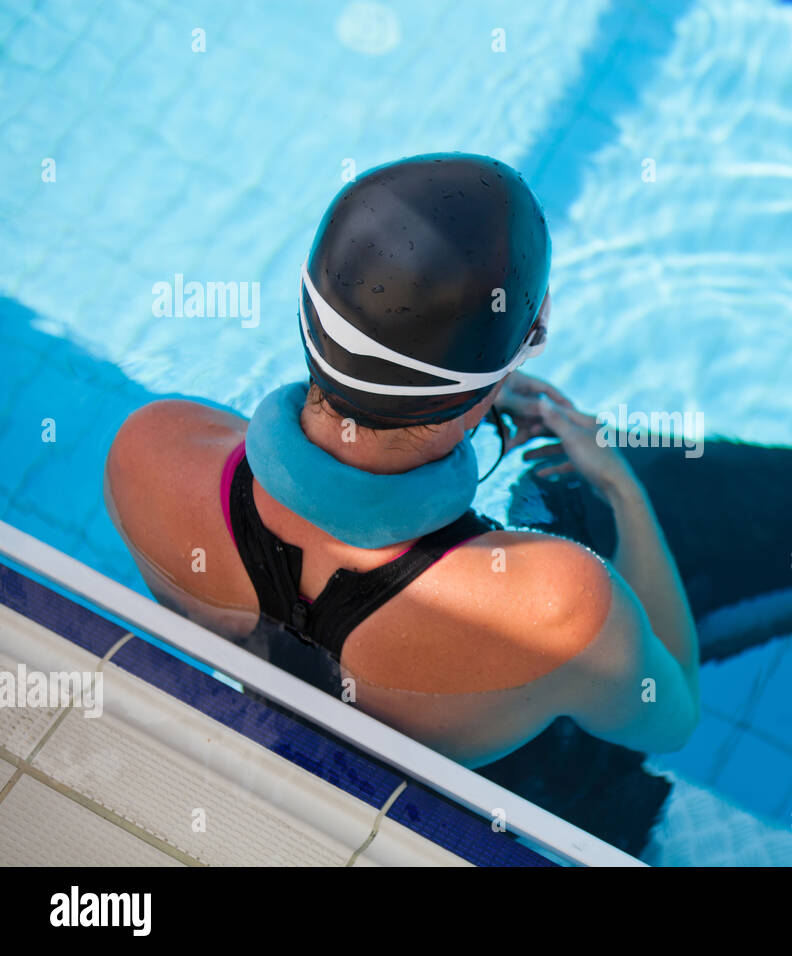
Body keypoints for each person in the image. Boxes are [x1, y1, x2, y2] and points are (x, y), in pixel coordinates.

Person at [104, 153, 700, 771]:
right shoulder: (560, 608)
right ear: (524, 347)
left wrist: (470, 392)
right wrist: (621, 489)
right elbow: (673, 721)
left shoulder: (149, 451)